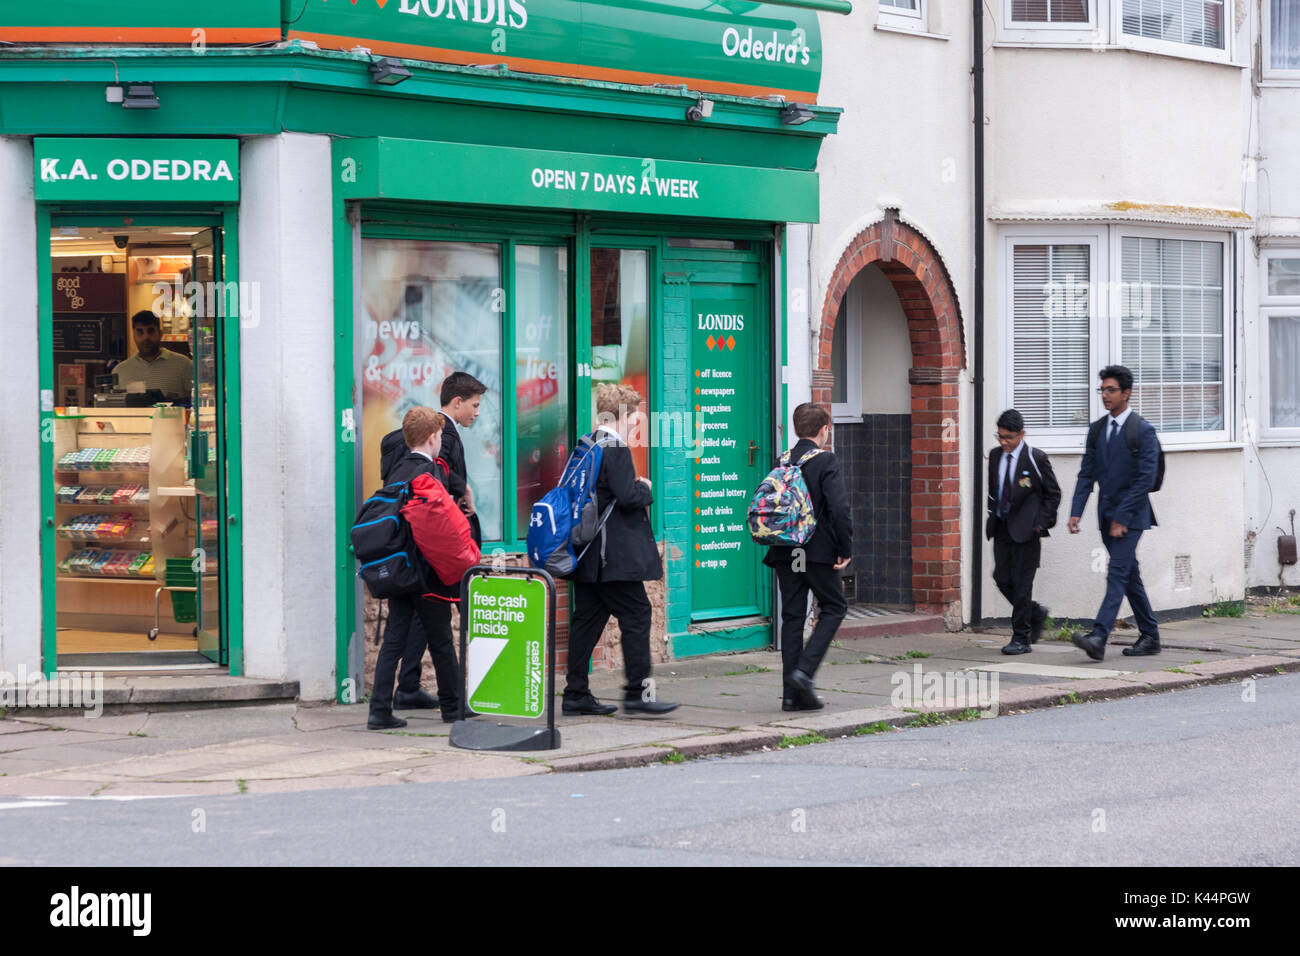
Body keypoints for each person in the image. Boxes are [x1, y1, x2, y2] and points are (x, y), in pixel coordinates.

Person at [374, 371, 488, 710]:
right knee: (439, 633)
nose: (477, 412)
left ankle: (392, 700)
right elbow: (434, 506)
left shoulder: (401, 461)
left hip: (406, 559)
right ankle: (451, 704)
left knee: (409, 631)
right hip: (431, 557)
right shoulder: (439, 447)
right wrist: (461, 496)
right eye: (475, 405)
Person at [563, 383, 678, 717]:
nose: (635, 423)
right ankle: (637, 695)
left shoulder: (585, 444)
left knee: (585, 622)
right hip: (612, 558)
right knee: (638, 614)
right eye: (634, 416)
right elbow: (627, 498)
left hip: (586, 554)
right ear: (623, 414)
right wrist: (645, 489)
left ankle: (575, 694)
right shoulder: (614, 448)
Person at [368, 407, 467, 729]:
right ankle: (453, 708)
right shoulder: (429, 473)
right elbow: (439, 530)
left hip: (401, 570)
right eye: (440, 437)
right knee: (440, 640)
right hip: (427, 572)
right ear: (433, 437)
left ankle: (379, 711)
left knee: (393, 641)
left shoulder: (398, 469)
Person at [1068, 365, 1162, 661]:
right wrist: (1076, 511)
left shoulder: (1142, 431)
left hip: (1132, 517)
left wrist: (1122, 517)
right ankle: (1150, 636)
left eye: (1111, 390)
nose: (1105, 395)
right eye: (1102, 390)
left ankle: (1098, 636)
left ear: (1126, 393)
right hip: (1106, 517)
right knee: (1129, 576)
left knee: (1117, 573)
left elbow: (1145, 480)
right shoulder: (1097, 429)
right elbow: (1086, 475)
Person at [762, 402, 852, 711]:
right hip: (815, 552)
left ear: (796, 428)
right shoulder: (826, 460)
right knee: (834, 606)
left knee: (793, 616)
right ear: (824, 429)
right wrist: (845, 548)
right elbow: (839, 510)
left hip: (786, 550)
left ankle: (790, 695)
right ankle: (804, 673)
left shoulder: (783, 460)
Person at [986, 409, 1061, 655]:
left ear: (1022, 434)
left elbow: (1053, 493)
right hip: (1002, 527)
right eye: (1000, 437)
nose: (1004, 442)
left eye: (1008, 437)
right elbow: (994, 490)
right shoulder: (996, 456)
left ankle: (1021, 637)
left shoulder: (1035, 459)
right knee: (1002, 578)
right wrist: (992, 512)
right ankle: (1035, 612)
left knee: (1021, 585)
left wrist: (1042, 523)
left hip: (1027, 530)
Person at [112, 310, 194, 401]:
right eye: (140, 332)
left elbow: (194, 402)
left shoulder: (184, 365)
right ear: (134, 336)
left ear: (160, 334)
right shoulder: (120, 371)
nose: (146, 337)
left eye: (151, 331)